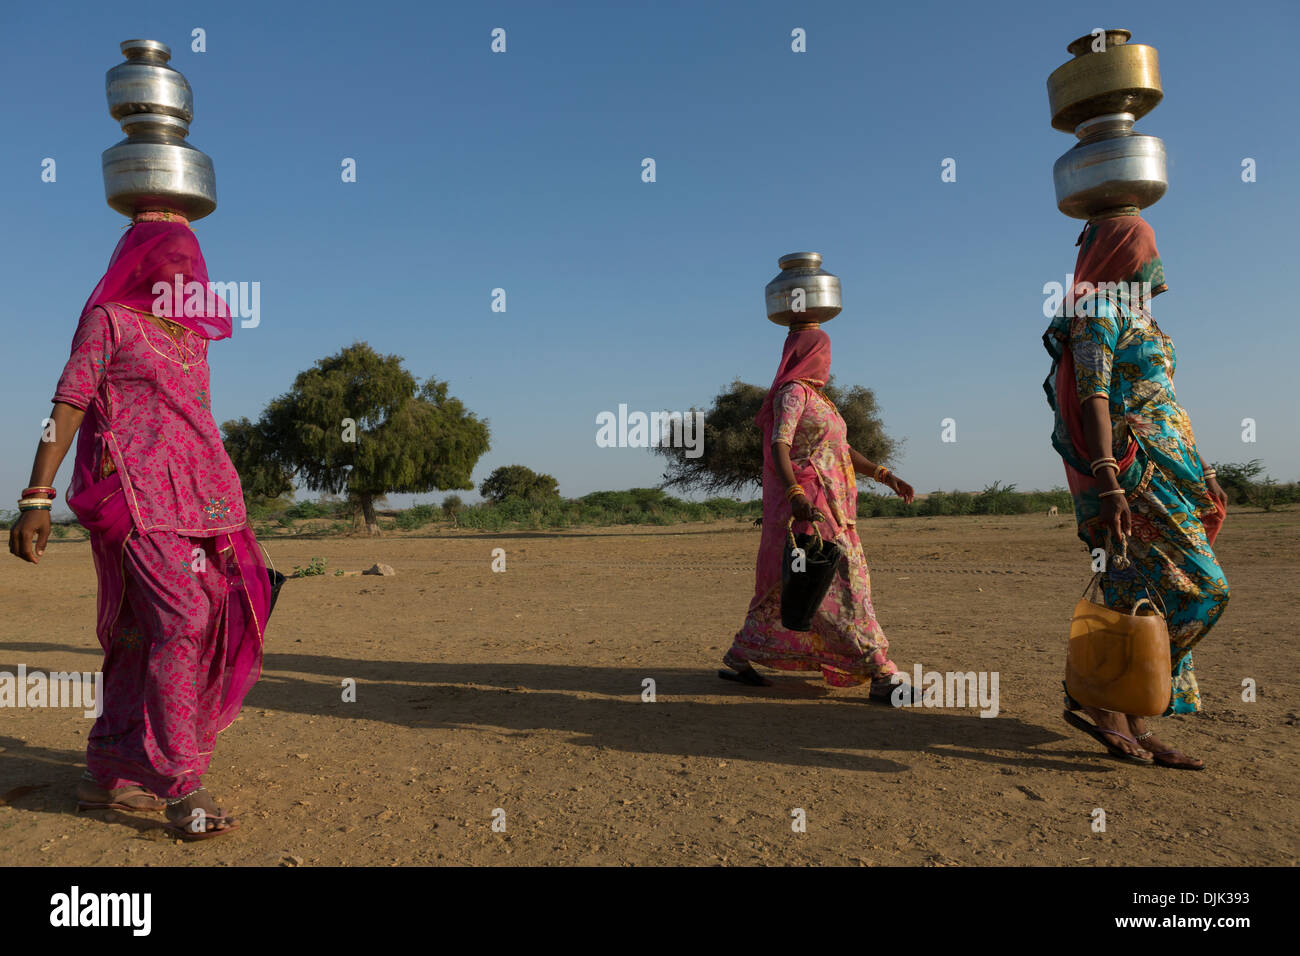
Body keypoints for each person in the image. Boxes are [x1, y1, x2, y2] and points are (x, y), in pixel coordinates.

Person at [9, 211, 271, 837]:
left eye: (190, 259)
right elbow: (68, 403)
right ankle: (182, 784)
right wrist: (36, 496)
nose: (180, 268)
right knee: (183, 619)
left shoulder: (192, 338)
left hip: (204, 499)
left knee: (154, 630)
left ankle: (105, 774)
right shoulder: (107, 322)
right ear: (138, 261)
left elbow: (192, 416)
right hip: (136, 498)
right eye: (166, 257)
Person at [1043, 210, 1229, 770]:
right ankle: (1107, 701)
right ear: (1124, 253)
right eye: (1144, 249)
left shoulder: (1143, 320)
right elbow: (1094, 397)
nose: (1154, 261)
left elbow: (1171, 403)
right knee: (1204, 590)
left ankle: (1128, 717)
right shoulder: (1095, 310)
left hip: (1176, 469)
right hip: (1134, 471)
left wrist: (1207, 471)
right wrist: (1107, 478)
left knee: (1131, 593)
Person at [721, 324, 917, 699]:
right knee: (847, 586)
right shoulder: (792, 394)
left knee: (791, 587)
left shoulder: (821, 399)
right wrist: (795, 493)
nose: (828, 360)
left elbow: (841, 450)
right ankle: (882, 676)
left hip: (836, 509)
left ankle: (740, 655)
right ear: (809, 354)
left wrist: (885, 474)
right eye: (823, 351)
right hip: (811, 509)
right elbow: (781, 444)